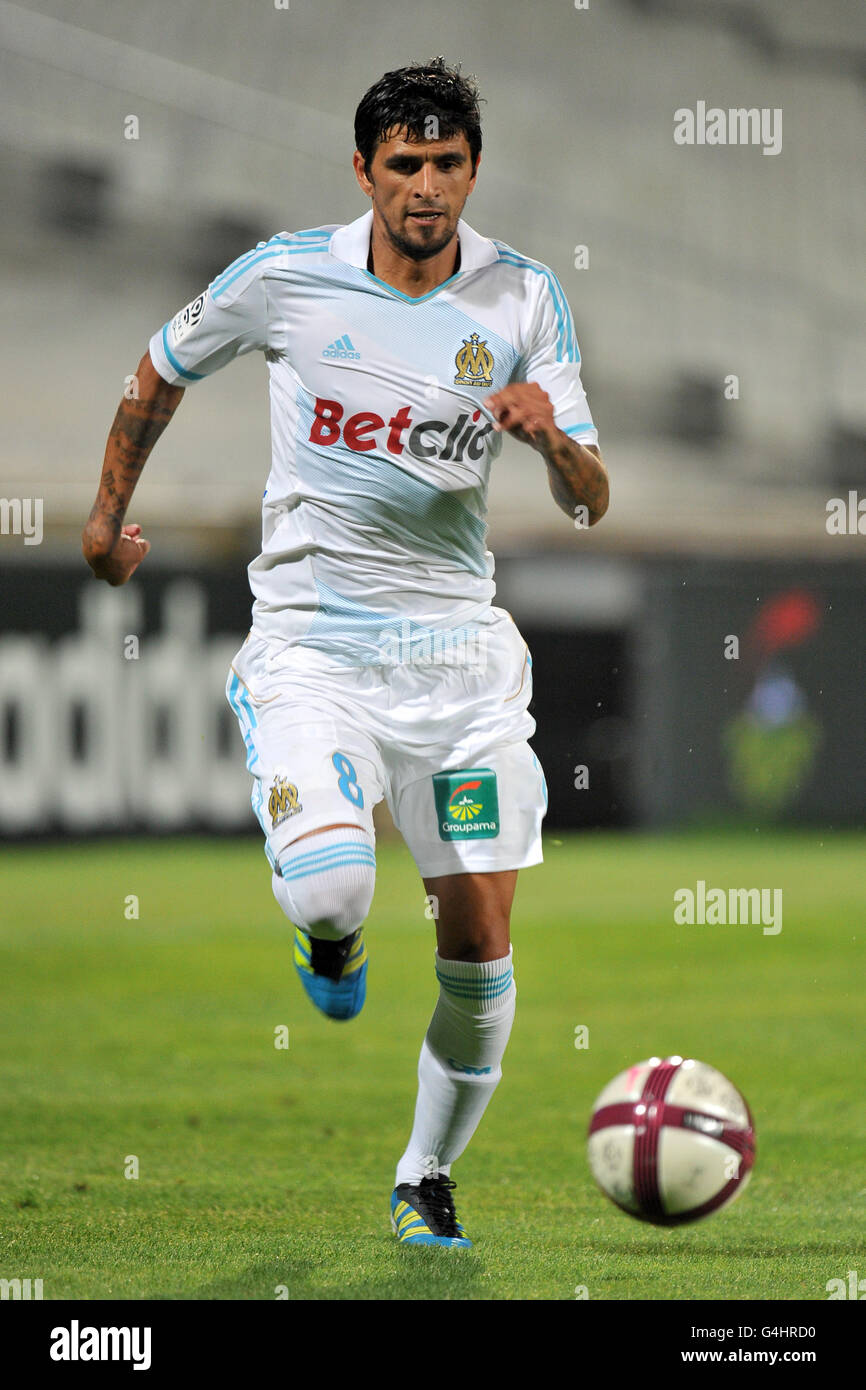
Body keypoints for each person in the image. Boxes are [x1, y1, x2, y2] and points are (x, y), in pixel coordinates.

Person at [82, 57, 608, 1249]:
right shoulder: (283, 276)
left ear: (474, 168)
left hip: (460, 670)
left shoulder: (522, 300)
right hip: (316, 645)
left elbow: (593, 498)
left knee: (477, 949)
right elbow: (156, 373)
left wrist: (551, 448)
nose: (427, 187)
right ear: (363, 170)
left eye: (448, 164)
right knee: (330, 884)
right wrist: (107, 520)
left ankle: (424, 1174)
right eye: (404, 164)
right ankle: (332, 935)